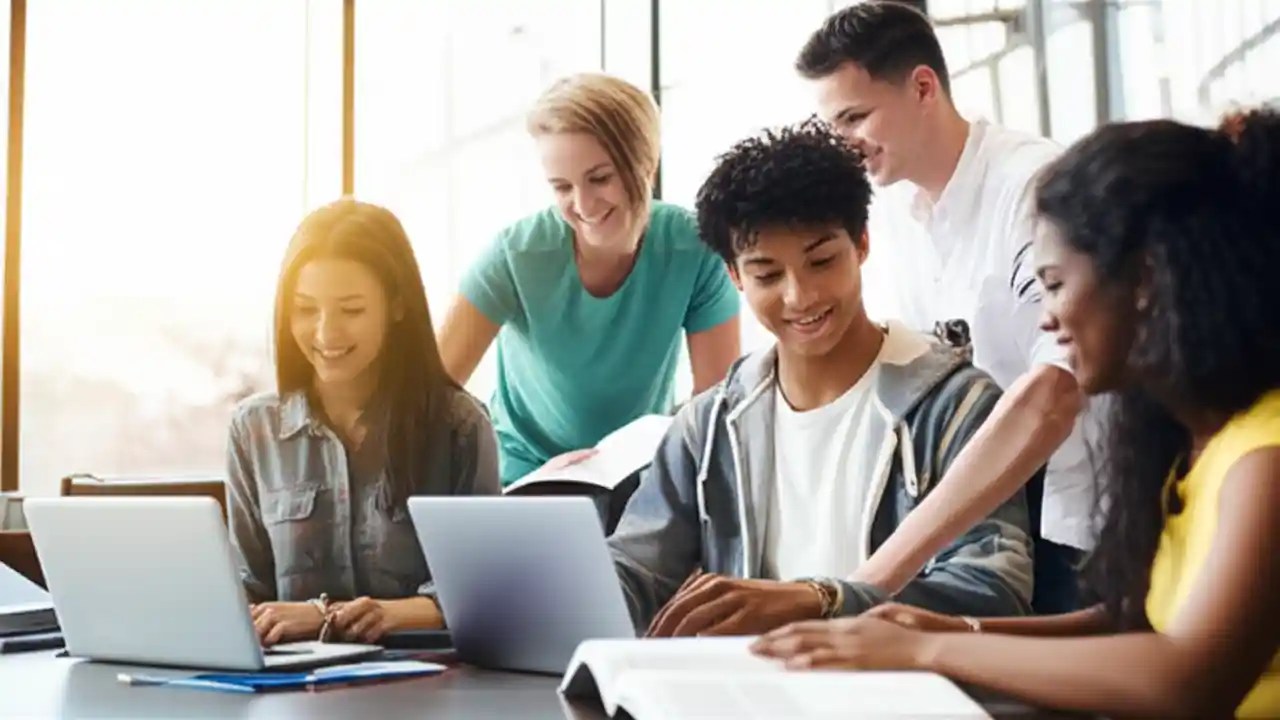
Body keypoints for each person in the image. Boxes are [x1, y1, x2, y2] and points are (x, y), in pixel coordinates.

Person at [754, 110, 1280, 718]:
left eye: (1054, 284)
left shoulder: (1262, 459)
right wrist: (951, 633)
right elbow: (1132, 624)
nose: (1045, 319)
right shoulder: (1190, 445)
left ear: (1146, 281)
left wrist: (927, 650)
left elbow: (1186, 679)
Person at [607, 119, 1033, 638]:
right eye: (767, 274)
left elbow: (994, 591)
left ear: (861, 245)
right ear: (735, 276)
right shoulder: (709, 426)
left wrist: (822, 603)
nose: (799, 296)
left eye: (822, 261)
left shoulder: (956, 407)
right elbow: (633, 572)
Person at [795, 1, 1095, 612]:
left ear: (923, 87)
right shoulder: (899, 210)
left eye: (856, 117)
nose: (844, 144)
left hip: (1074, 509)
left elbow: (1056, 392)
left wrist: (871, 578)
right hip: (987, 509)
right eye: (832, 127)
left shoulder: (1034, 186)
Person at [438, 73, 741, 486]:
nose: (582, 204)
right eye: (562, 186)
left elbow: (714, 407)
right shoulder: (516, 255)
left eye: (600, 178)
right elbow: (431, 396)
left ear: (646, 164)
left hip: (640, 477)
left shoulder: (695, 249)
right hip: (527, 477)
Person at [226, 199, 500, 646]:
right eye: (306, 309)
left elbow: (482, 592)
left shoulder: (459, 427)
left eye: (351, 310)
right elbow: (249, 585)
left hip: (422, 685)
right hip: (292, 689)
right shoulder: (253, 429)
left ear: (396, 306)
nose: (325, 333)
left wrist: (337, 616)